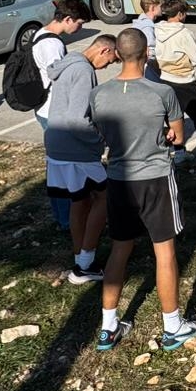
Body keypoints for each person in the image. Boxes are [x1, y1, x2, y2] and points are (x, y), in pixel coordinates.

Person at [89, 27, 196, 353]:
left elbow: (100, 132)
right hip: (154, 178)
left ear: (116, 55)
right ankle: (172, 326)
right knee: (164, 251)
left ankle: (108, 326)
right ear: (146, 55)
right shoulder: (162, 93)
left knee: (119, 249)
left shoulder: (99, 94)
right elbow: (179, 137)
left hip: (118, 179)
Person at [45, 32, 120, 280]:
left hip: (56, 144)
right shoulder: (84, 71)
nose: (107, 66)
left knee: (81, 201)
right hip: (76, 147)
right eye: (109, 62)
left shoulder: (67, 65)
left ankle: (80, 259)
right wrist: (100, 140)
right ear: (104, 51)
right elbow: (77, 118)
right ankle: (85, 263)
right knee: (106, 198)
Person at [33, 0, 94, 227]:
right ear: (67, 19)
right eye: (78, 23)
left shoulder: (41, 34)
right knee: (64, 169)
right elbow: (59, 75)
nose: (79, 28)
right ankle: (67, 219)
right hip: (53, 110)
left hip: (45, 108)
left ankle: (64, 217)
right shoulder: (53, 45)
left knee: (57, 166)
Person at [153, 0, 196, 166]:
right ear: (180, 14)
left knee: (174, 117)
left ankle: (179, 151)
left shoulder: (158, 29)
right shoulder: (183, 33)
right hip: (185, 79)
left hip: (165, 78)